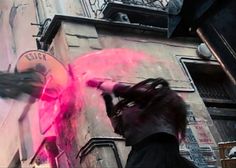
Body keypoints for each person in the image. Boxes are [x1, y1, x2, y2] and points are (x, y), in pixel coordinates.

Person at [100, 78, 197, 168]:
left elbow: (133, 91)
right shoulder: (137, 117)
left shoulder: (162, 102)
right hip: (141, 153)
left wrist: (106, 85)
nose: (129, 109)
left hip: (157, 150)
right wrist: (108, 101)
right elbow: (119, 127)